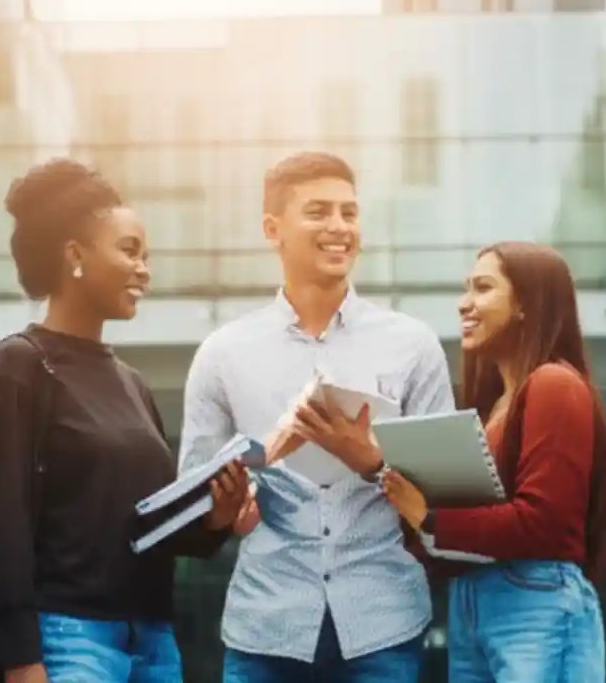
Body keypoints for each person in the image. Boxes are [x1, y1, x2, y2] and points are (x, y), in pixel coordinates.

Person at [178, 151, 455, 682]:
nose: (339, 227)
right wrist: (228, 506)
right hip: (266, 625)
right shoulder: (223, 353)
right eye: (319, 211)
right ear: (273, 228)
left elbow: (443, 496)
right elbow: (196, 500)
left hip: (383, 624)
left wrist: (374, 461)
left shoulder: (412, 345)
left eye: (349, 213)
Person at [0, 158, 249, 683]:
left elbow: (146, 528)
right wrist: (21, 659)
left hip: (153, 642)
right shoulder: (21, 364)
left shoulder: (130, 382)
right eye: (129, 251)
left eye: (146, 255)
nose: (144, 268)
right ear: (75, 254)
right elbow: (1, 524)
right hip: (67, 641)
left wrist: (216, 518)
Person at [379, 241, 606, 682]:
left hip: (534, 601)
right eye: (466, 288)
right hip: (473, 599)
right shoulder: (496, 407)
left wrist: (427, 516)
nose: (464, 303)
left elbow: (541, 522)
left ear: (527, 304)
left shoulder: (554, 384)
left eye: (483, 288)